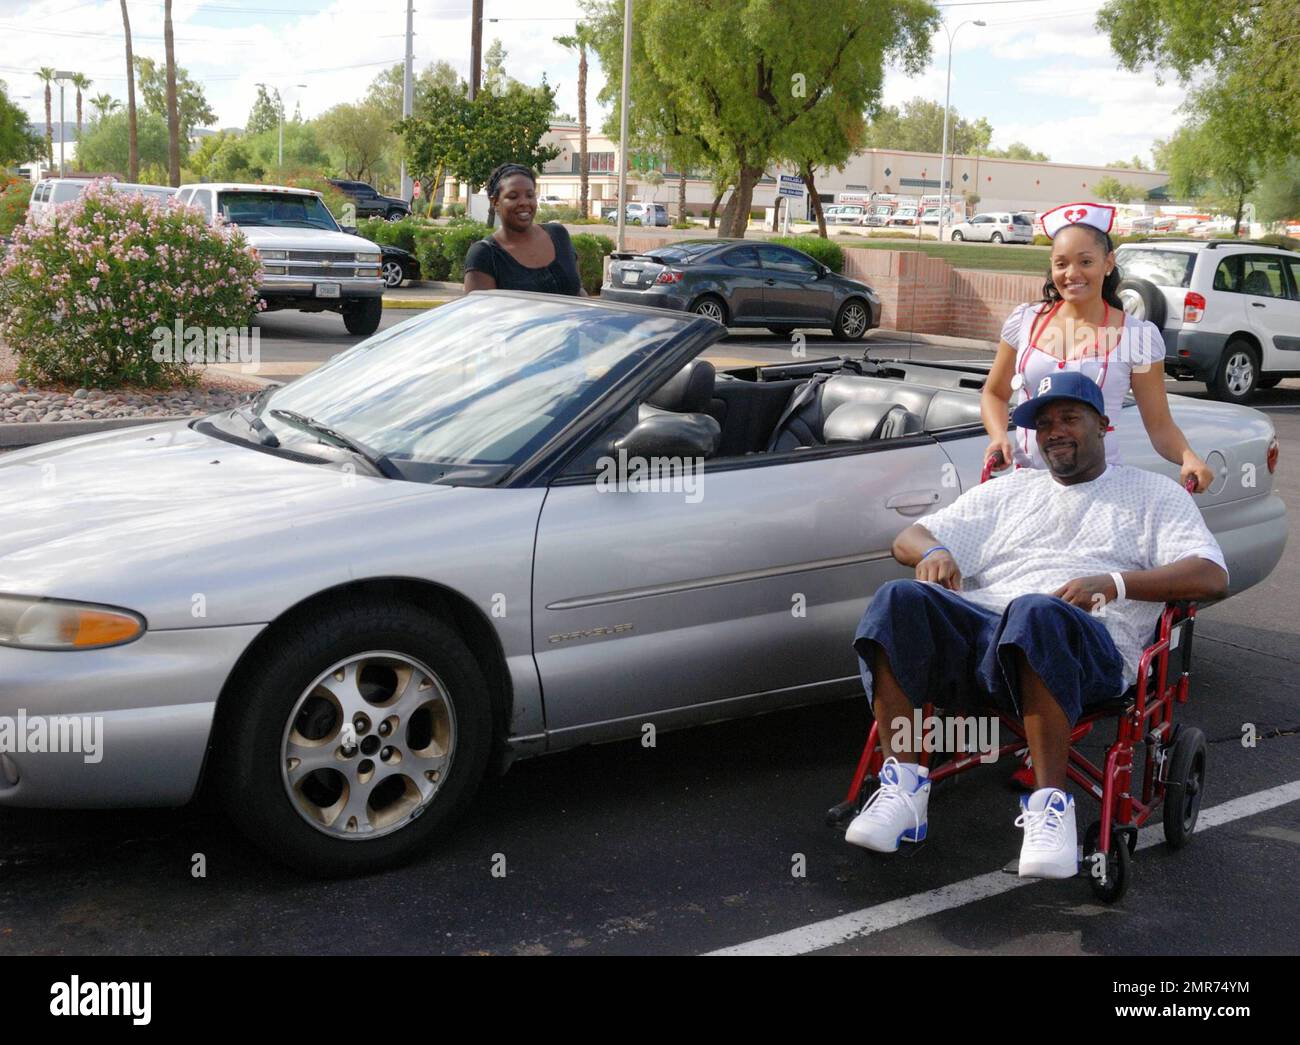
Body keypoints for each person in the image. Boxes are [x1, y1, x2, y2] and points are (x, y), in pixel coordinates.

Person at [847, 371, 1227, 878]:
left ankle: (1051, 806)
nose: (1054, 431)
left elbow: (1211, 575)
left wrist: (1114, 583)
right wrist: (935, 550)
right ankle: (905, 788)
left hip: (1087, 644)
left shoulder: (1152, 495)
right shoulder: (1008, 492)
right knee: (899, 598)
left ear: (1103, 425)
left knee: (1036, 611)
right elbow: (908, 539)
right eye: (1043, 423)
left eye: (1069, 418)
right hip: (987, 635)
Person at [982, 202, 1213, 491]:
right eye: (1061, 263)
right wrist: (998, 435)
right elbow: (994, 394)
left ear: (1108, 263)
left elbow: (1159, 425)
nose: (1072, 274)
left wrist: (1187, 457)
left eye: (1086, 262)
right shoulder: (1024, 322)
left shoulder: (1137, 338)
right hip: (1026, 484)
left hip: (1099, 490)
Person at [463, 163, 586, 297]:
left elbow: (578, 292)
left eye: (530, 195)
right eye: (513, 196)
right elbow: (481, 314)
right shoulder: (484, 254)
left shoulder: (558, 234)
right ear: (495, 202)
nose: (524, 202)